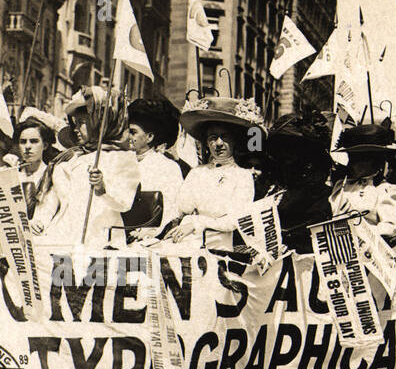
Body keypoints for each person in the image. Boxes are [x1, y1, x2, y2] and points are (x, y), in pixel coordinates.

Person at [31, 87, 140, 247]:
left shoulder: (123, 158)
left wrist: (102, 189)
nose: (76, 129)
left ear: (99, 122)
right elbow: (51, 199)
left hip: (99, 237)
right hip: (62, 233)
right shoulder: (69, 159)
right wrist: (40, 220)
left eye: (82, 123)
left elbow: (124, 203)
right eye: (74, 123)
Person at [165, 96, 262, 251]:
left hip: (218, 246)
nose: (218, 143)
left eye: (225, 137)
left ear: (235, 140)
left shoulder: (243, 176)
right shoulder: (197, 173)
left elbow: (233, 220)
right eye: (213, 138)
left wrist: (197, 223)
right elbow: (179, 208)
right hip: (187, 241)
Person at [262, 109, 334, 254]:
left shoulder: (318, 193)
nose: (284, 155)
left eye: (292, 147)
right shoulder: (268, 183)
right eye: (280, 147)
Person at [328, 123, 396, 241]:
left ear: (374, 161)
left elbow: (391, 225)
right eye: (350, 158)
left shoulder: (384, 190)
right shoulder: (341, 185)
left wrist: (364, 234)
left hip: (367, 247)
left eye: (357, 160)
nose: (351, 164)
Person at [124, 97, 186, 236]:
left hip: (149, 238)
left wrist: (149, 232)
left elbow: (172, 209)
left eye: (133, 132)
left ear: (149, 137)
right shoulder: (121, 162)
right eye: (126, 131)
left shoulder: (168, 168)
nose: (127, 136)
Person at [9, 118, 52, 215]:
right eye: (23, 142)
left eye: (34, 141)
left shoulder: (51, 175)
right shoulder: (12, 173)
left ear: (45, 145)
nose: (27, 146)